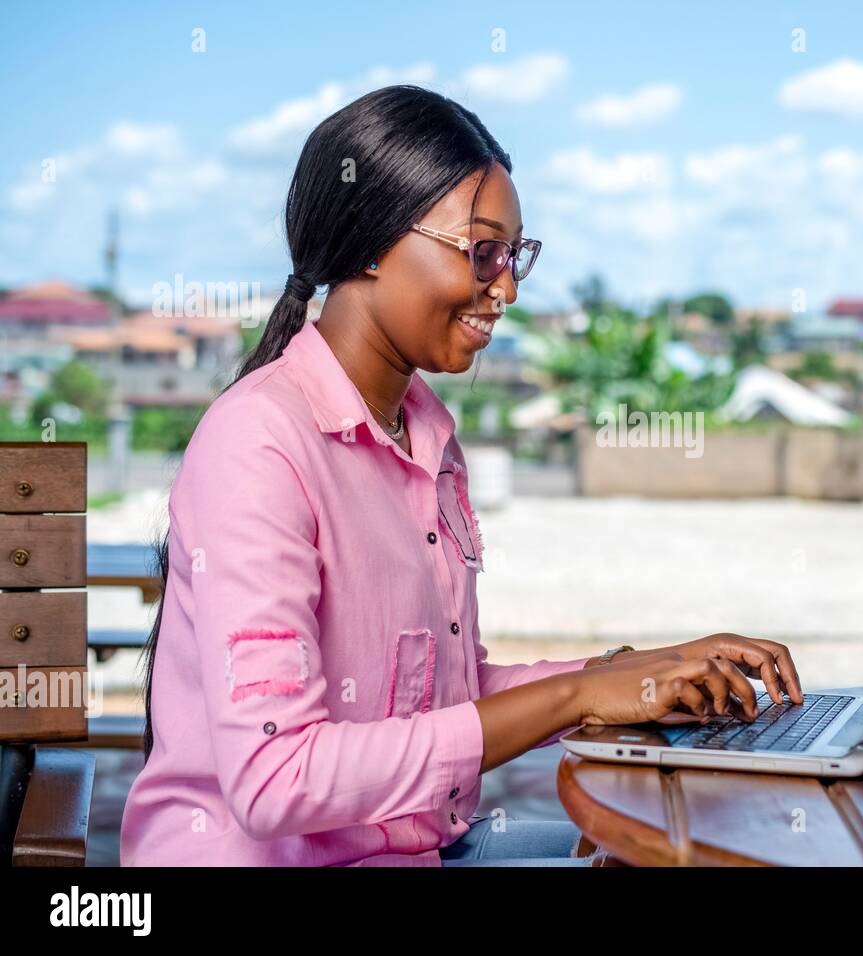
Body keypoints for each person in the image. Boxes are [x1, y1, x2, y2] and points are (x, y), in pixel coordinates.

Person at [119, 85, 803, 867]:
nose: (506, 288)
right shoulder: (259, 443)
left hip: (413, 847)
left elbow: (434, 697)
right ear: (373, 243)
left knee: (645, 856)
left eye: (515, 256)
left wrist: (637, 671)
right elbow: (279, 778)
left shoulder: (425, 430)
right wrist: (579, 696)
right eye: (482, 252)